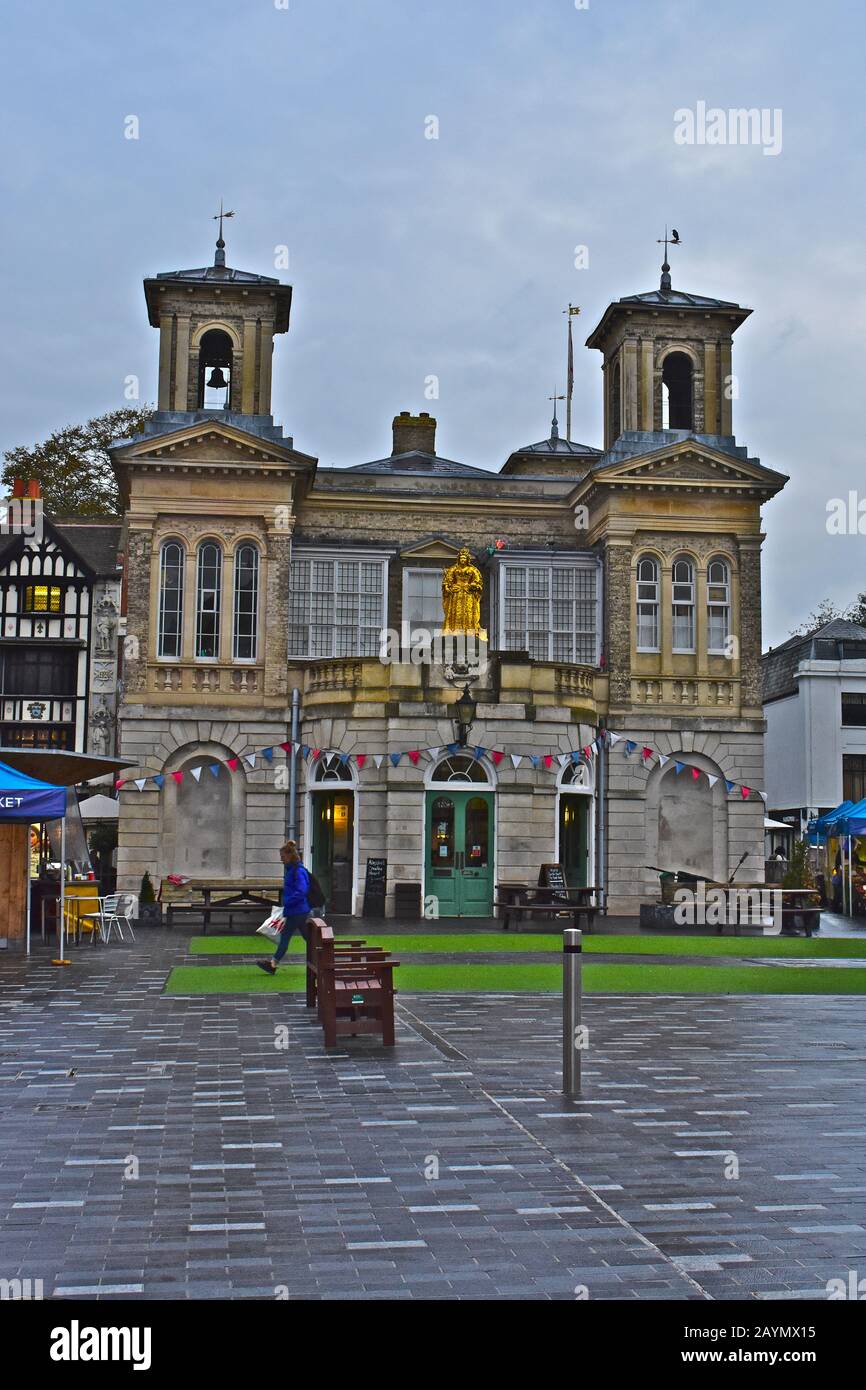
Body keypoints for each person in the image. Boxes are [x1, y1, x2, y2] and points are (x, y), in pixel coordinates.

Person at [257, 840, 311, 975]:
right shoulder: (296, 870)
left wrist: (289, 902)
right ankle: (319, 959)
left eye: (282, 857)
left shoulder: (297, 871)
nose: (281, 860)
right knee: (309, 938)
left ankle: (273, 964)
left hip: (296, 910)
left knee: (285, 937)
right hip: (300, 910)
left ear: (289, 856)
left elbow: (301, 890)